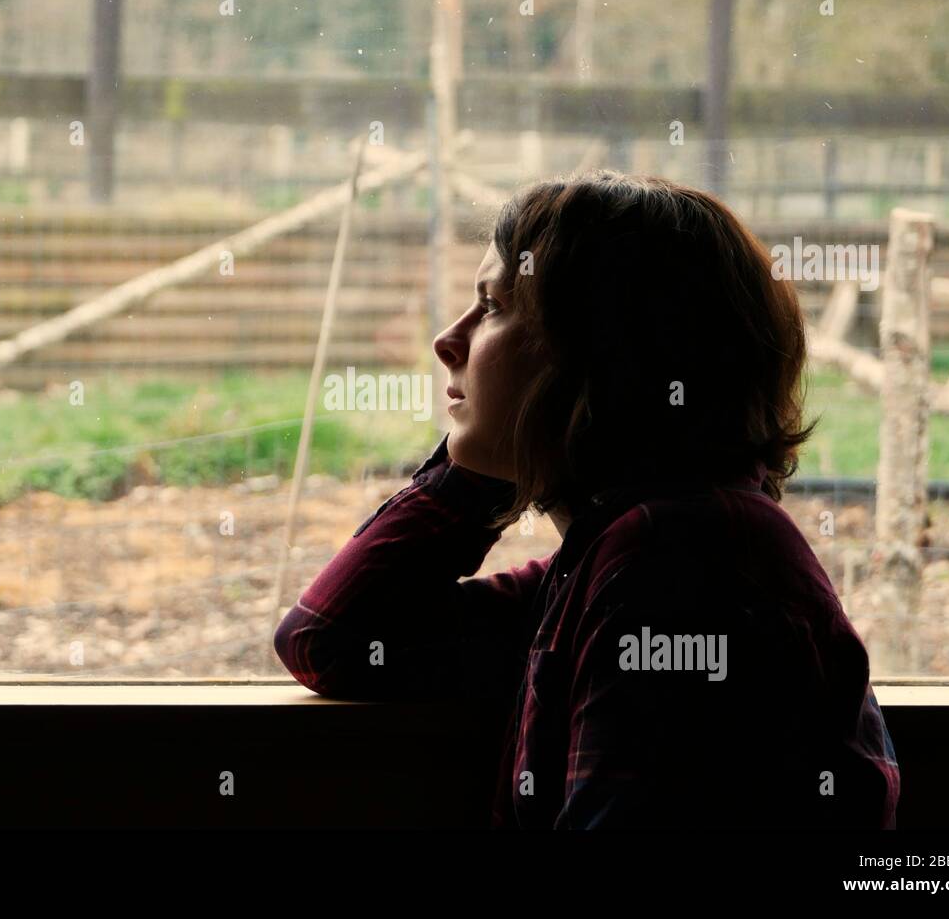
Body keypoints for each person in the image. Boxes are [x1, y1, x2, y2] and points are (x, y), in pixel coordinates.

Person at [273, 170, 900, 829]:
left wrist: (503, 444)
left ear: (596, 349)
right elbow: (332, 639)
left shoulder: (673, 564)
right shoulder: (613, 558)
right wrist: (484, 465)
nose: (447, 340)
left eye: (491, 306)